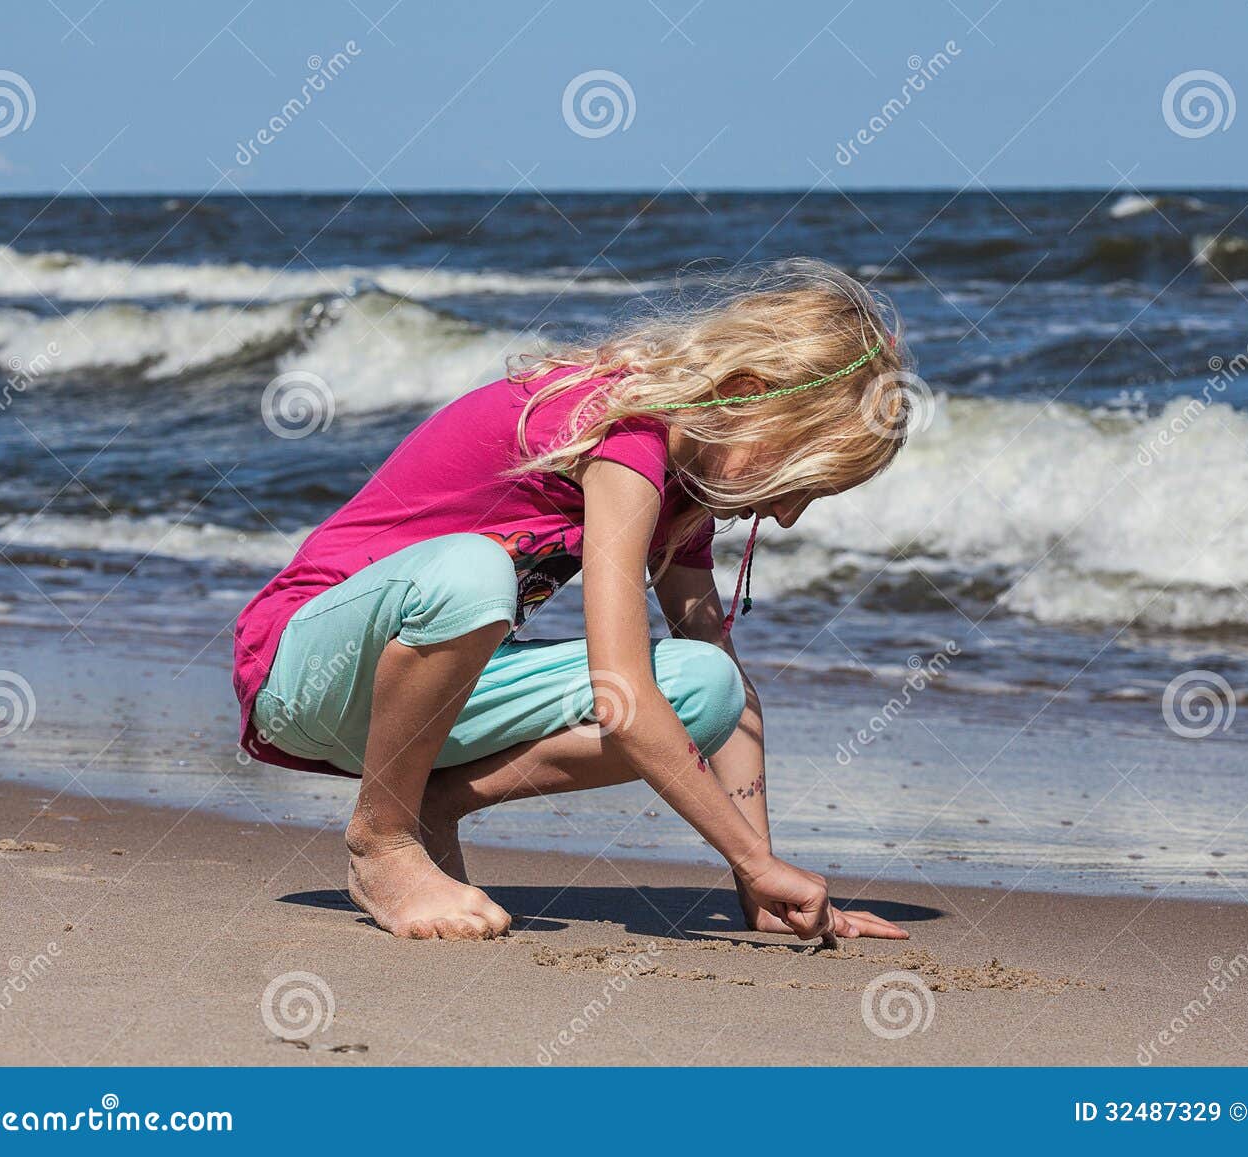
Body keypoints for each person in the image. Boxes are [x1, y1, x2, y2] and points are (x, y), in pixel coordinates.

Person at [233, 259, 914, 942]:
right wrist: (753, 861)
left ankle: (432, 803)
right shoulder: (624, 434)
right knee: (476, 571)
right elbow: (621, 691)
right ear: (742, 395)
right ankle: (383, 839)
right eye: (800, 481)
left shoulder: (683, 496)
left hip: (420, 713)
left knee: (712, 686)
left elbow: (723, 690)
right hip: (303, 667)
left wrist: (758, 881)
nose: (789, 515)